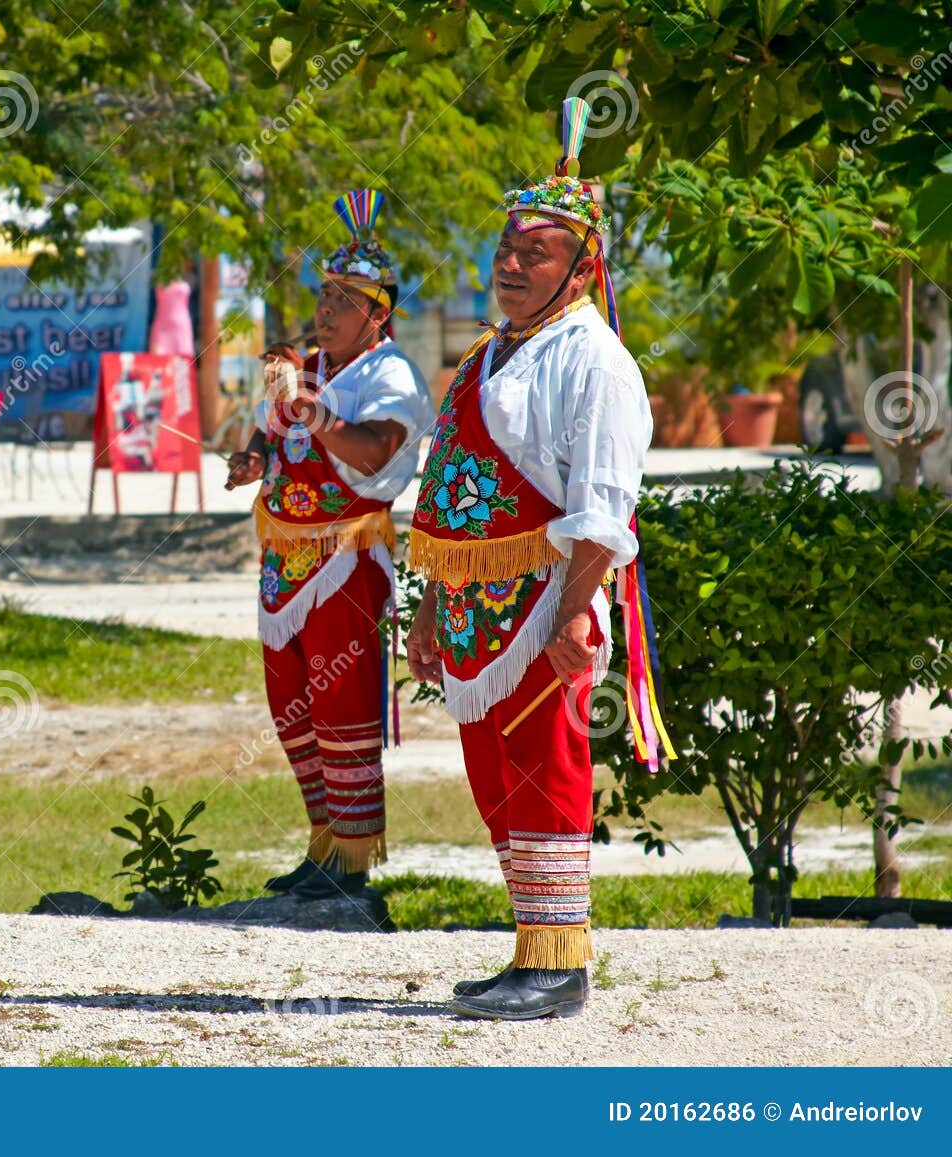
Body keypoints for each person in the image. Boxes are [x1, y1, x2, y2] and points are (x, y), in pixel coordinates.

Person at [405, 98, 664, 1020]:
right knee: (492, 777)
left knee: (546, 771)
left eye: (536, 253)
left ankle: (560, 963)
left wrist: (569, 613)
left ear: (582, 266)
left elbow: (602, 506)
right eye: (506, 250)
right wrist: (429, 607)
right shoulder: (485, 356)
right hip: (474, 611)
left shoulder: (594, 361)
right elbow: (448, 494)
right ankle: (530, 948)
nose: (510, 266)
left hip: (546, 606)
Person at [227, 190, 434, 900]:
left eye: (346, 297)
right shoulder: (305, 364)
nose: (326, 307)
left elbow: (377, 454)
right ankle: (321, 843)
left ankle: (352, 858)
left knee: (341, 702)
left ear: (379, 314)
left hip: (345, 555)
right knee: (292, 706)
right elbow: (268, 427)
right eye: (324, 292)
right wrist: (252, 458)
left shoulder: (389, 374)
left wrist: (314, 414)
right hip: (283, 557)